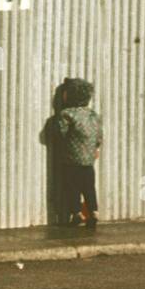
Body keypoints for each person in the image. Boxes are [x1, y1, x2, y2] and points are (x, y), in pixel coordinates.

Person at [55, 79, 103, 227]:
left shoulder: (66, 114)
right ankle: (94, 212)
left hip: (71, 159)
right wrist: (96, 148)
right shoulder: (92, 115)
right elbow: (99, 135)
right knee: (89, 187)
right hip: (89, 160)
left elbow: (61, 134)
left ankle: (77, 213)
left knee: (72, 186)